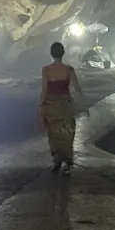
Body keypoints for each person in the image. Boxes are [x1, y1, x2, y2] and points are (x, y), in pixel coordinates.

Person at [38, 41, 86, 173]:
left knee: (53, 134)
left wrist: (40, 107)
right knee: (67, 133)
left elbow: (44, 90)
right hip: (65, 105)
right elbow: (77, 88)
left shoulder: (46, 70)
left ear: (51, 54)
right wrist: (84, 105)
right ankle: (68, 163)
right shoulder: (69, 70)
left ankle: (57, 160)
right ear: (63, 53)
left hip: (51, 106)